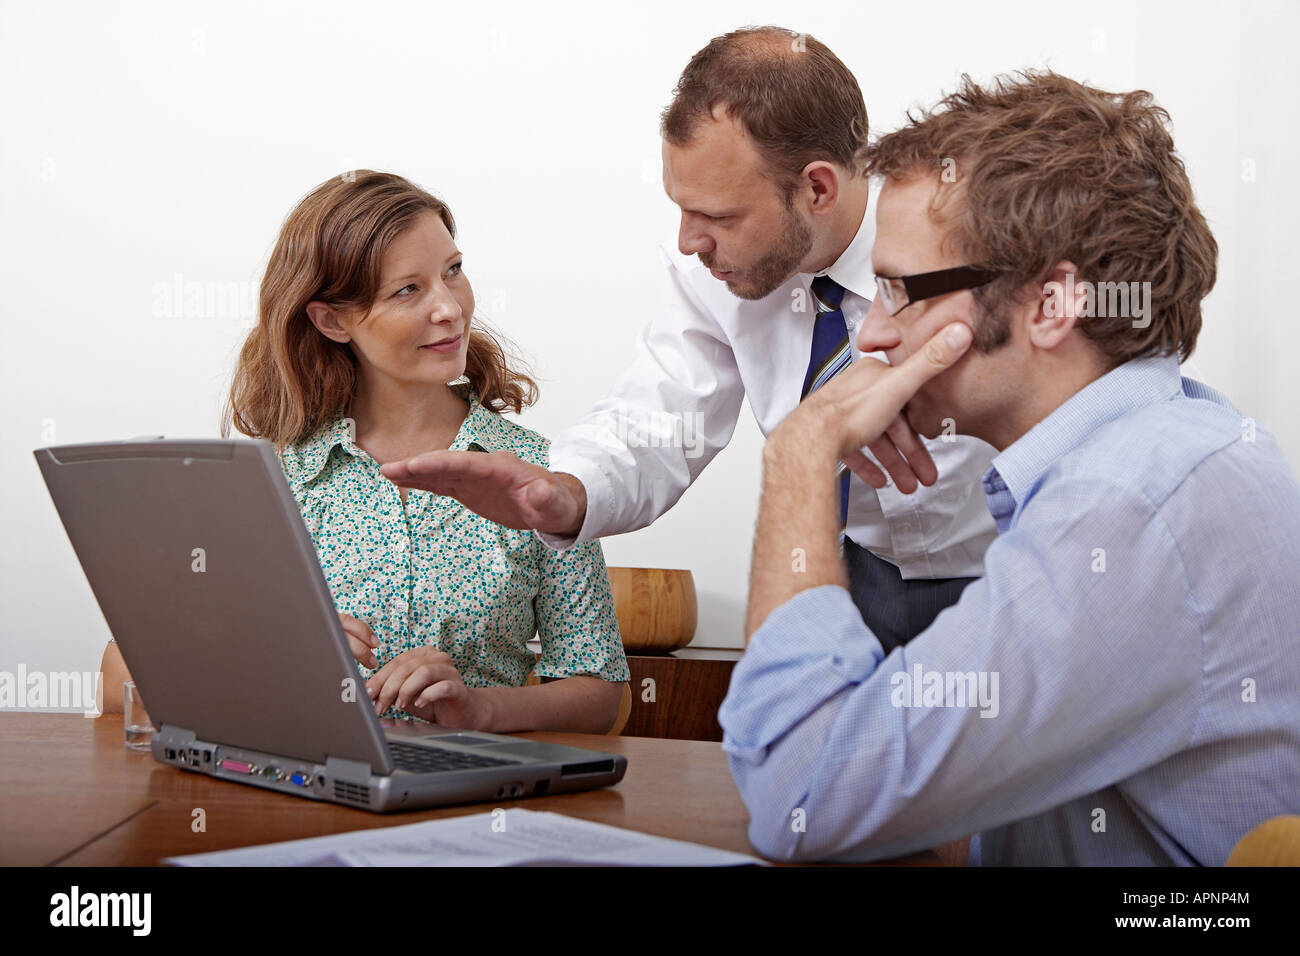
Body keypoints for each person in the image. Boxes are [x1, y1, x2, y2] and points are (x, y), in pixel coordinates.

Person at [718, 69, 1300, 866]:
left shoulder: (1129, 502)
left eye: (899, 291)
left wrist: (800, 453)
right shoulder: (1171, 446)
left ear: (1053, 304)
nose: (872, 339)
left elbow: (803, 795)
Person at [381, 26, 999, 652]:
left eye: (719, 216)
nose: (688, 242)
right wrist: (568, 491)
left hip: (1008, 563)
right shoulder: (713, 270)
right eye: (682, 208)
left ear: (818, 188)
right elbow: (661, 415)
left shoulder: (969, 237)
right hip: (858, 576)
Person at [100, 171, 629, 733]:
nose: (450, 308)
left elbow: (599, 691)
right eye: (407, 289)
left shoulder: (536, 475)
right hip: (299, 802)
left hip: (475, 801)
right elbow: (117, 675)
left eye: (453, 271)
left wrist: (481, 709)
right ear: (331, 320)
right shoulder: (266, 480)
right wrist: (270, 653)